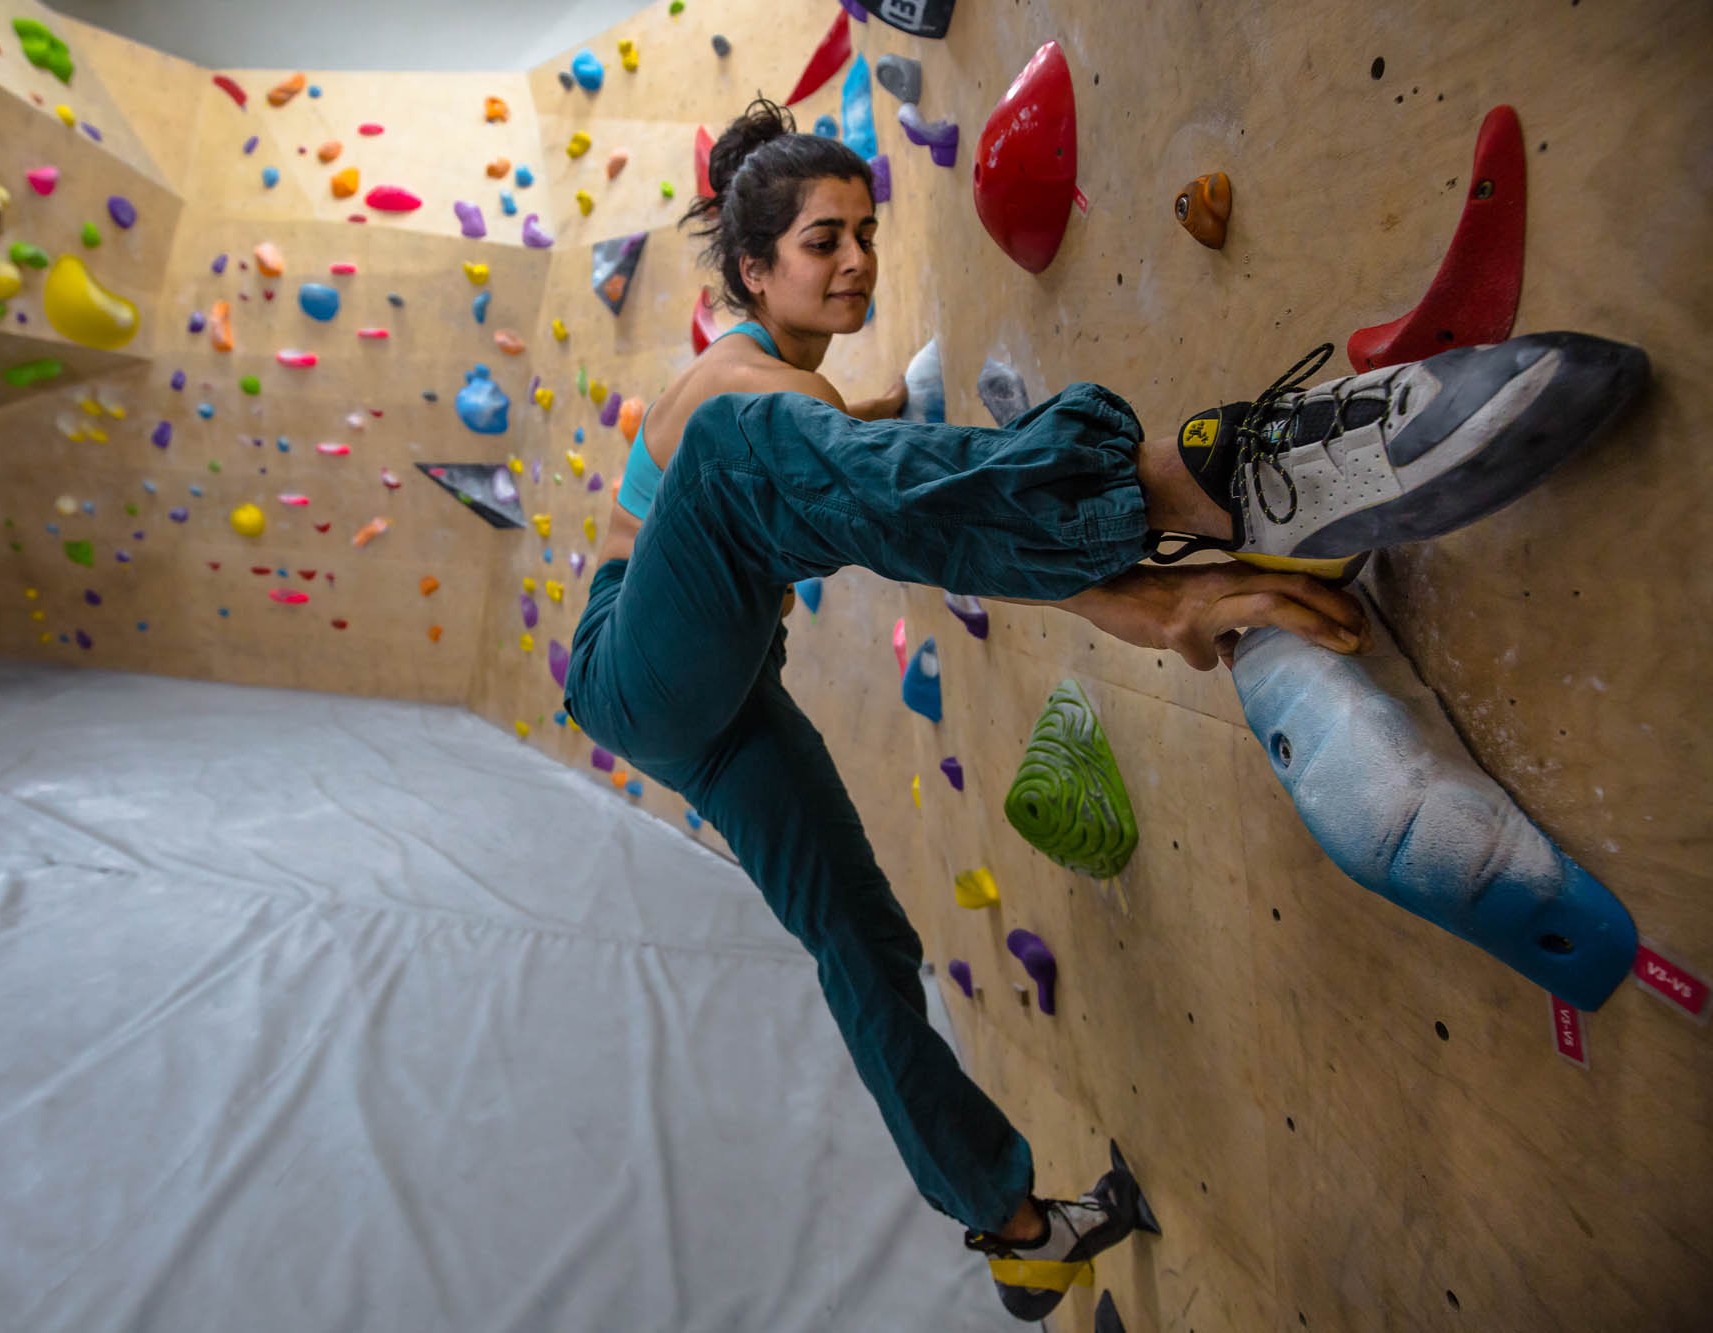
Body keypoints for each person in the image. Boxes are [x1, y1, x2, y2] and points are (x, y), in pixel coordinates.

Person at [560, 98, 1646, 1321]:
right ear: (753, 271)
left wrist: (1147, 609)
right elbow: (851, 491)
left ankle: (1016, 1230)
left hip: (719, 705)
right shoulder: (730, 391)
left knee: (864, 945)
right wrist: (1145, 569)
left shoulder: (798, 412)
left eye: (866, 229)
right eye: (824, 241)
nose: (858, 259)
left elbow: (906, 513)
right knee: (743, 454)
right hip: (623, 670)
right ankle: (1210, 473)